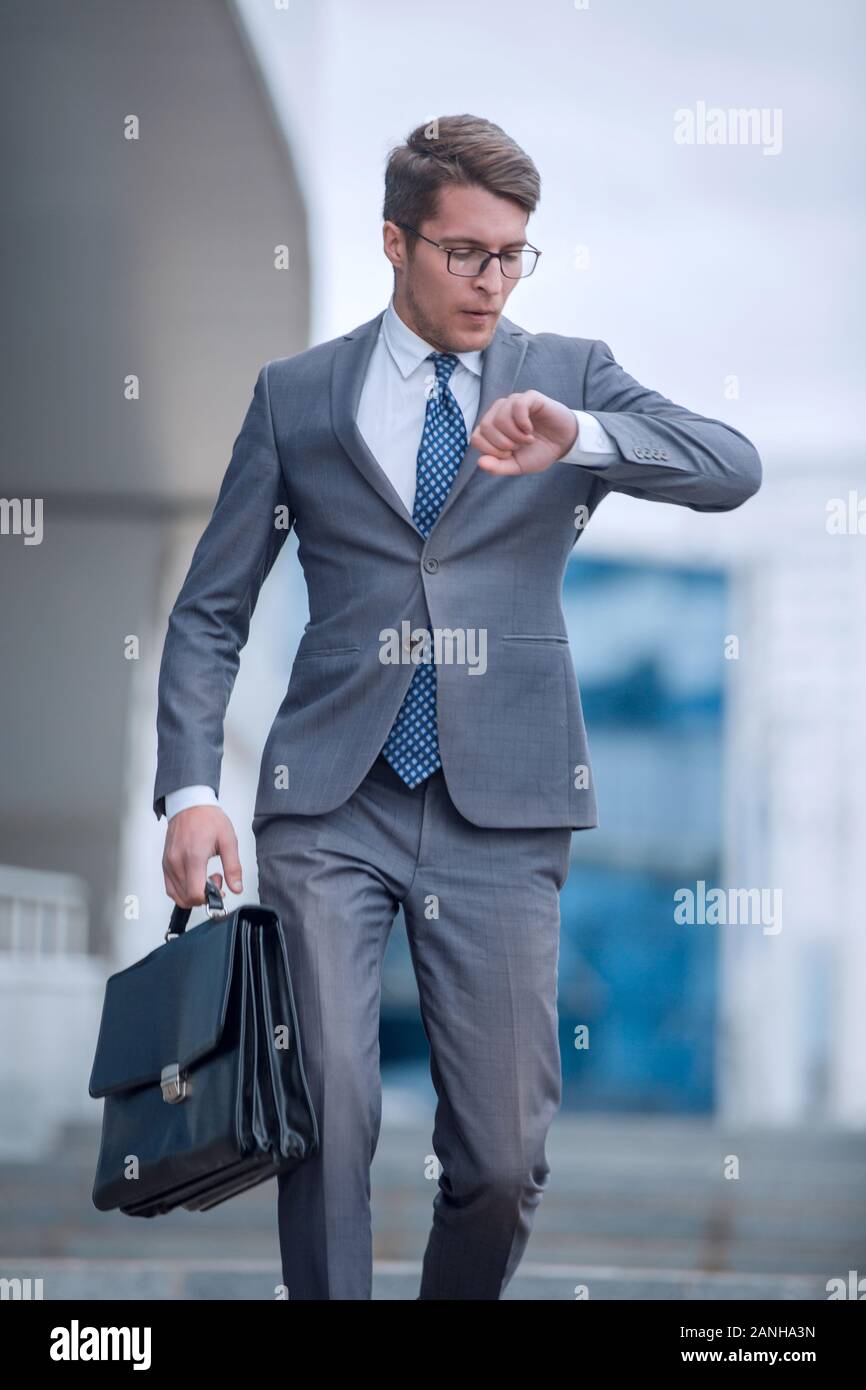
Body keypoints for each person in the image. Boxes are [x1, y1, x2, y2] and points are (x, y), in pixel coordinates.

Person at [154, 113, 762, 1300]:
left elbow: (729, 466)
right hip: (331, 803)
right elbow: (208, 609)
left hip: (504, 812)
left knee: (499, 1157)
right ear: (394, 242)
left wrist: (581, 438)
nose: (491, 280)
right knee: (325, 1107)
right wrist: (189, 790)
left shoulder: (567, 375)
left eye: (511, 254)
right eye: (463, 252)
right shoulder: (297, 396)